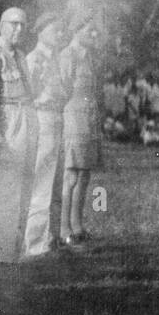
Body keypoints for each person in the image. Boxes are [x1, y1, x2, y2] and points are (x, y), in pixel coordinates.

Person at [0, 7, 38, 270]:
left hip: (26, 116)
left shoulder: (21, 56)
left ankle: (15, 249)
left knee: (26, 184)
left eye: (23, 25)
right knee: (5, 187)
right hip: (7, 119)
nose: (19, 30)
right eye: (13, 24)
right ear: (1, 26)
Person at [23, 13, 70, 257]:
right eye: (55, 30)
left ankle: (52, 238)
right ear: (40, 31)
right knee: (42, 181)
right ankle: (35, 243)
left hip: (58, 117)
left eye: (62, 31)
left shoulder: (55, 59)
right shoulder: (34, 59)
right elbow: (29, 95)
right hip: (43, 118)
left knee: (57, 181)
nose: (60, 35)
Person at [59, 19, 103, 245]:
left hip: (89, 121)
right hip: (72, 120)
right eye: (90, 29)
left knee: (84, 175)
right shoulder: (69, 55)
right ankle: (64, 228)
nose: (95, 33)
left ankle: (77, 226)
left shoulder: (90, 57)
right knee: (71, 176)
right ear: (76, 30)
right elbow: (62, 89)